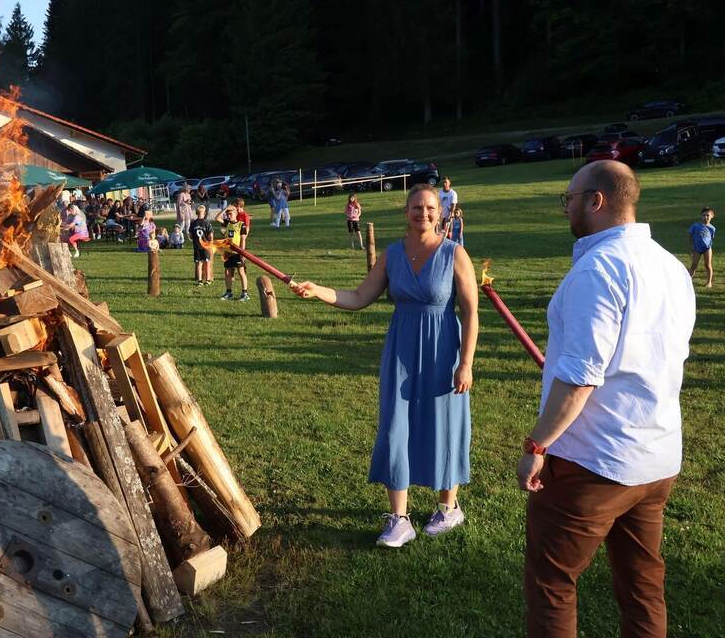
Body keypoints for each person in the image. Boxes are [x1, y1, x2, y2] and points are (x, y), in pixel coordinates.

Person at [517, 161, 695, 638]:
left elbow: (579, 380)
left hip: (594, 462)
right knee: (643, 583)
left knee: (551, 582)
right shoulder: (672, 266)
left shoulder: (598, 269)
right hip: (656, 458)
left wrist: (537, 446)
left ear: (596, 201)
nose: (567, 207)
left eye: (570, 198)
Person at [291, 184, 478, 544]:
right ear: (405, 212)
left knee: (445, 424)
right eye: (416, 208)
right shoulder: (392, 255)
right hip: (402, 351)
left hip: (444, 351)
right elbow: (359, 296)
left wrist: (466, 363)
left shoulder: (455, 254)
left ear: (439, 213)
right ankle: (399, 518)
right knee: (397, 425)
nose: (423, 214)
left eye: (429, 208)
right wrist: (320, 291)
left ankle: (448, 507)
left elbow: (470, 313)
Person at [218, 205, 249, 301]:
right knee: (228, 272)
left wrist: (242, 252)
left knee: (241, 272)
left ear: (236, 214)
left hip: (237, 252)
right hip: (228, 252)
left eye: (230, 213)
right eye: (227, 214)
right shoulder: (227, 223)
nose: (228, 215)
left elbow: (243, 239)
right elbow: (217, 218)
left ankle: (245, 294)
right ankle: (229, 292)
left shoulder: (241, 224)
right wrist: (225, 208)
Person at [687, 206, 715, 287]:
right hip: (697, 248)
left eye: (708, 215)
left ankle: (709, 282)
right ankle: (688, 281)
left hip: (707, 248)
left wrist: (708, 246)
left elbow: (711, 238)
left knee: (708, 265)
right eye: (704, 215)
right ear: (701, 216)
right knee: (694, 265)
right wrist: (691, 246)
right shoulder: (695, 226)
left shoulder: (712, 228)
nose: (705, 217)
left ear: (712, 216)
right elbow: (690, 236)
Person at [190, 205, 214, 286]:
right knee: (207, 263)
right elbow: (211, 235)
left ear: (196, 213)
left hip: (197, 246)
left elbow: (190, 235)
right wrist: (211, 242)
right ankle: (208, 280)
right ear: (205, 213)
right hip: (205, 246)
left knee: (199, 263)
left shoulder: (193, 223)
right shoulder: (207, 222)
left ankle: (199, 281)